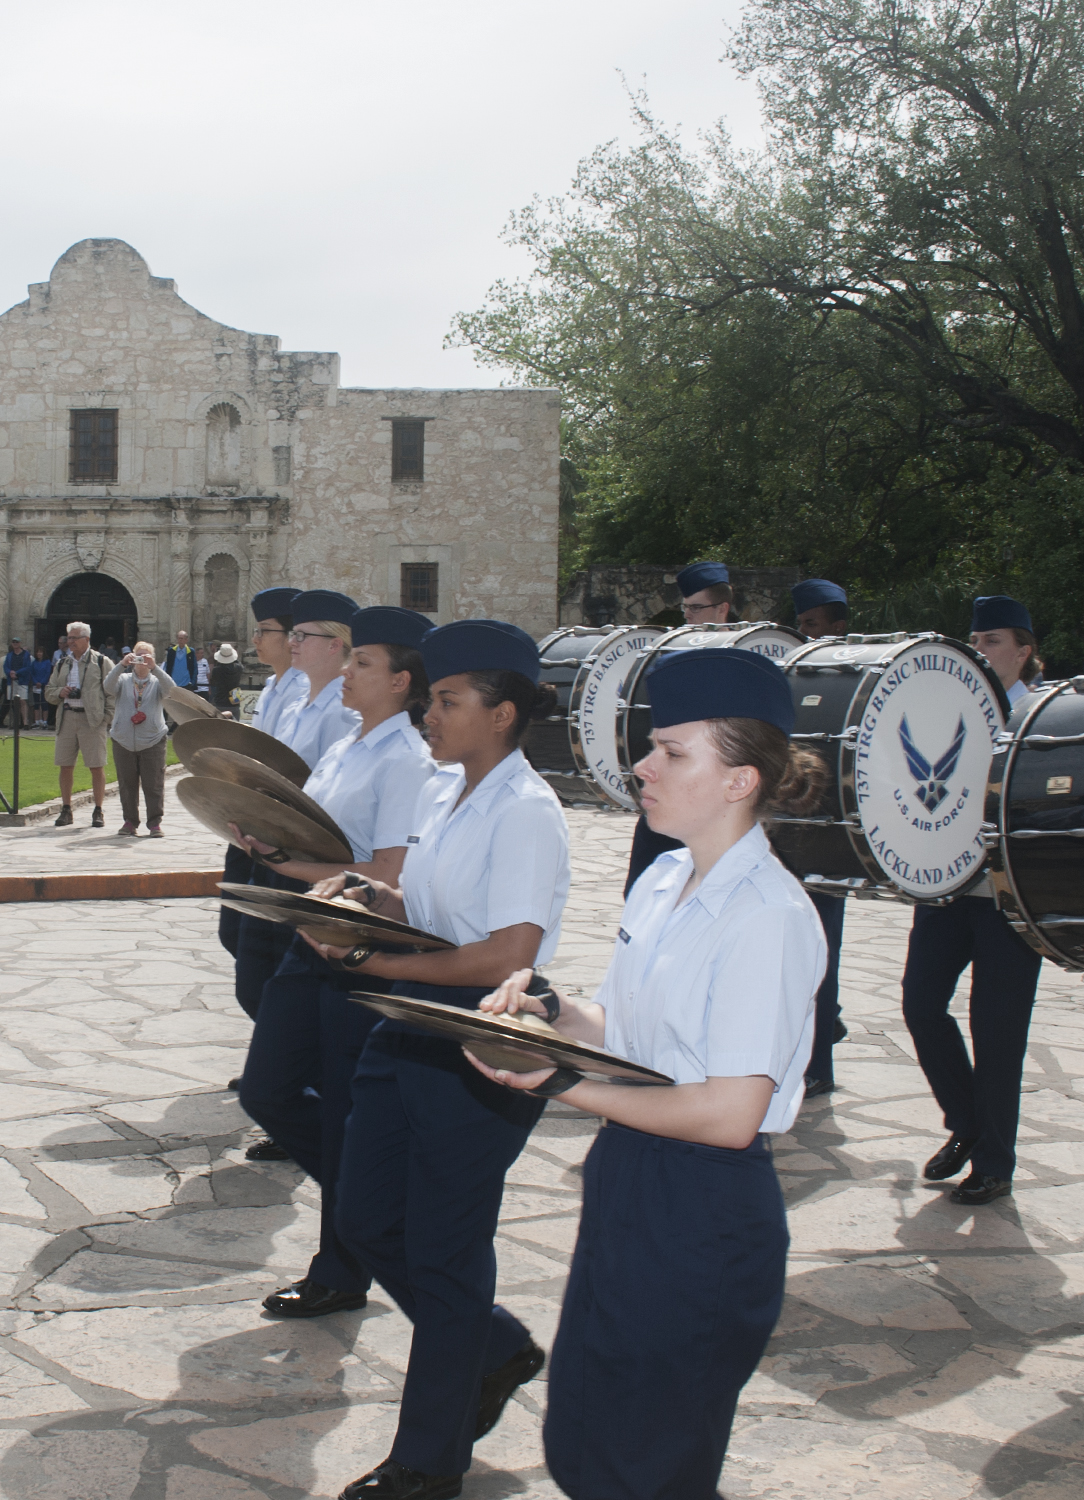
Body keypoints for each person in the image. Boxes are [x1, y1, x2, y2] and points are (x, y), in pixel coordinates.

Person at [469, 647, 827, 1500]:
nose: (643, 765)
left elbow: (730, 1112)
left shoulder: (768, 916)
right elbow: (631, 1033)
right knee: (589, 1432)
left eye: (673, 752)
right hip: (631, 1173)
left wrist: (561, 1086)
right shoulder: (666, 877)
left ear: (740, 780)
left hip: (704, 1203)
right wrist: (554, 1013)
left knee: (652, 1459)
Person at [302, 619, 571, 1500]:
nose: (431, 712)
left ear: (501, 715)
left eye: (449, 701)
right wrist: (361, 896)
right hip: (411, 1016)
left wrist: (372, 962)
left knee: (448, 1251)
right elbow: (419, 902)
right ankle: (489, 1346)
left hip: (481, 1033)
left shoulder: (528, 811)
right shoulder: (443, 792)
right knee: (370, 1219)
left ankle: (430, 1460)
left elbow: (505, 956)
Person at [235, 606, 436, 1321]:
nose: (347, 673)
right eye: (348, 660)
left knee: (343, 1109)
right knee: (268, 1091)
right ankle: (374, 1200)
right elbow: (317, 833)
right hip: (309, 933)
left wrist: (289, 862)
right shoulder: (351, 744)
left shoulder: (407, 761)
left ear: (402, 681)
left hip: (357, 947)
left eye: (363, 664)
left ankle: (342, 1266)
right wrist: (267, 844)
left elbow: (386, 869)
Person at [900, 593, 1047, 1207]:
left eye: (991, 642)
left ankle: (994, 1161)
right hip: (948, 890)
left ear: (1023, 651)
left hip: (1009, 896)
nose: (980, 651)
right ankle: (967, 1121)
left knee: (998, 1030)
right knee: (920, 1003)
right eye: (975, 641)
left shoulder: (1042, 716)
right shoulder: (955, 708)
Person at [231, 590, 362, 1021]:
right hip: (272, 843)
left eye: (302, 635)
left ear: (334, 645)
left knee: (274, 975)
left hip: (305, 857)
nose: (292, 641)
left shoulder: (341, 713)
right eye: (292, 633)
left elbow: (322, 795)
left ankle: (292, 1074)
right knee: (255, 969)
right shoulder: (298, 707)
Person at [621, 560, 734, 897]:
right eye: (686, 608)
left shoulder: (744, 659)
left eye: (697, 608)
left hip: (714, 803)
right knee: (642, 893)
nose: (688, 616)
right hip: (668, 794)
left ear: (723, 608)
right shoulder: (671, 654)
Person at [791, 576, 853, 1099]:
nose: (805, 633)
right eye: (801, 624)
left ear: (838, 626)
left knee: (822, 951)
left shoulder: (855, 679)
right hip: (792, 832)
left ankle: (820, 1062)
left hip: (830, 839)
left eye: (813, 624)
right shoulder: (799, 676)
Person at [219, 588, 303, 964]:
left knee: (257, 949)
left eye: (264, 631)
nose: (255, 639)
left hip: (275, 830)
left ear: (290, 638)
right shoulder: (271, 688)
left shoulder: (301, 692)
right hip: (252, 821)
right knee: (235, 933)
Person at [44, 622, 113, 828]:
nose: (70, 642)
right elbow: (49, 691)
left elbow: (112, 692)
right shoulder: (62, 663)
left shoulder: (101, 662)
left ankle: (98, 809)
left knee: (96, 765)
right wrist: (60, 692)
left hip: (92, 720)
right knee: (65, 765)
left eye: (74, 638)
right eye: (69, 638)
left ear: (87, 640)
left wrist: (106, 718)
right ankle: (66, 809)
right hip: (67, 718)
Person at [104, 641, 169, 836]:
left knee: (154, 783)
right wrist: (121, 664)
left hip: (152, 741)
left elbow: (172, 691)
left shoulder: (157, 682)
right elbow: (107, 686)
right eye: (138, 656)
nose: (141, 660)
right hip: (123, 740)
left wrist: (155, 668)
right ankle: (130, 821)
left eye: (145, 656)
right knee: (127, 784)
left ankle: (154, 822)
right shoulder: (123, 680)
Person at [0, 640, 33, 727]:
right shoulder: (9, 655)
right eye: (13, 642)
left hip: (22, 681)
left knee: (23, 701)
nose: (15, 644)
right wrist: (10, 672)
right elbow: (5, 666)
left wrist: (17, 672)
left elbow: (28, 667)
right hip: (11, 681)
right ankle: (15, 722)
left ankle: (25, 722)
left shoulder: (25, 655)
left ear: (20, 643)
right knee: (13, 702)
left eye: (17, 642)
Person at [209, 642, 242, 715]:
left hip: (220, 701)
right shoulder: (238, 668)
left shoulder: (216, 670)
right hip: (234, 700)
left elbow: (213, 679)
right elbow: (238, 663)